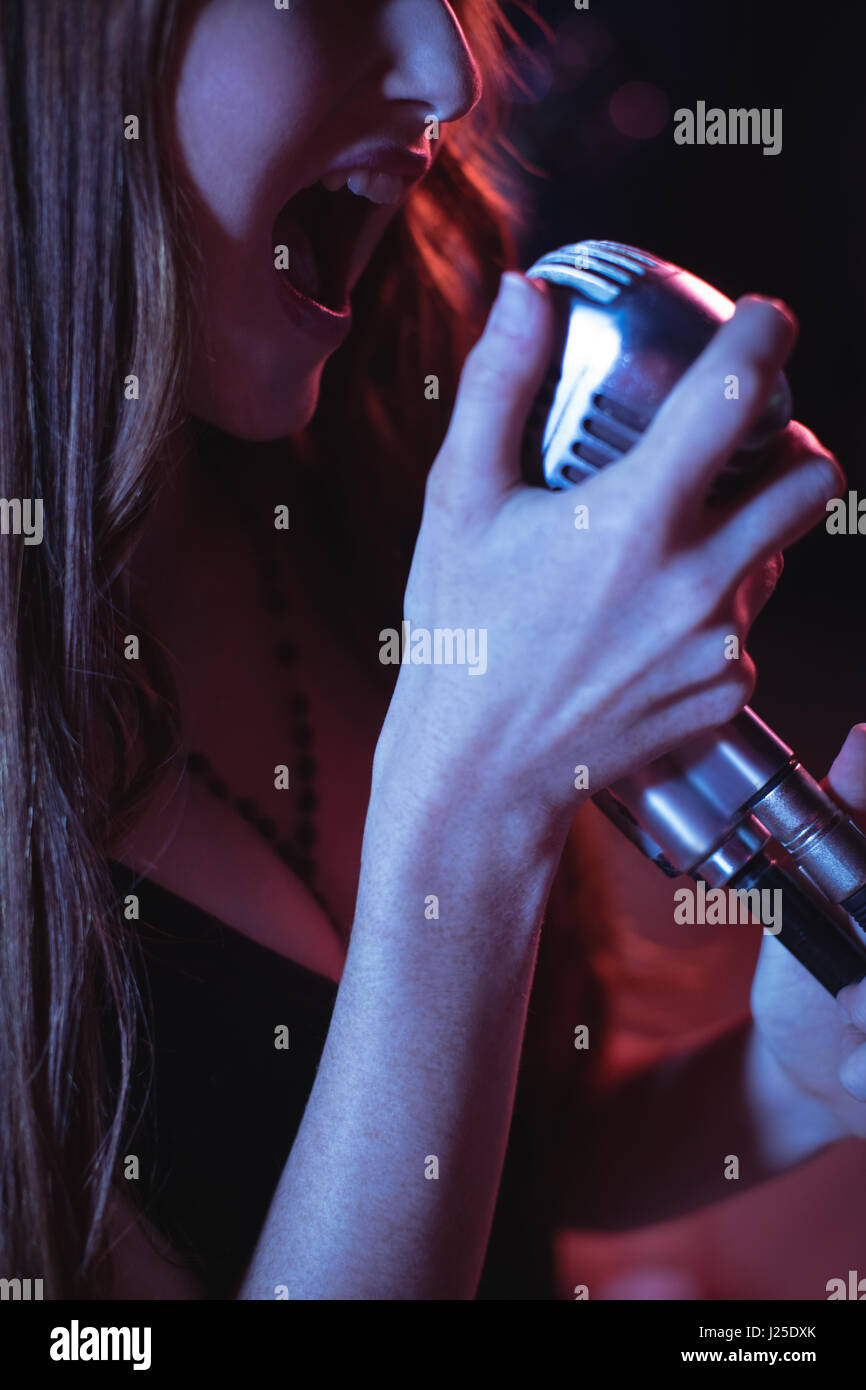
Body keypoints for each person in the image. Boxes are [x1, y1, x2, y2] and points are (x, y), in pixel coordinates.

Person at [2, 0, 865, 1301]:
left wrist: (794, 1078)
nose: (446, 72)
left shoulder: (362, 449)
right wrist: (479, 799)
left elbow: (513, 1163)